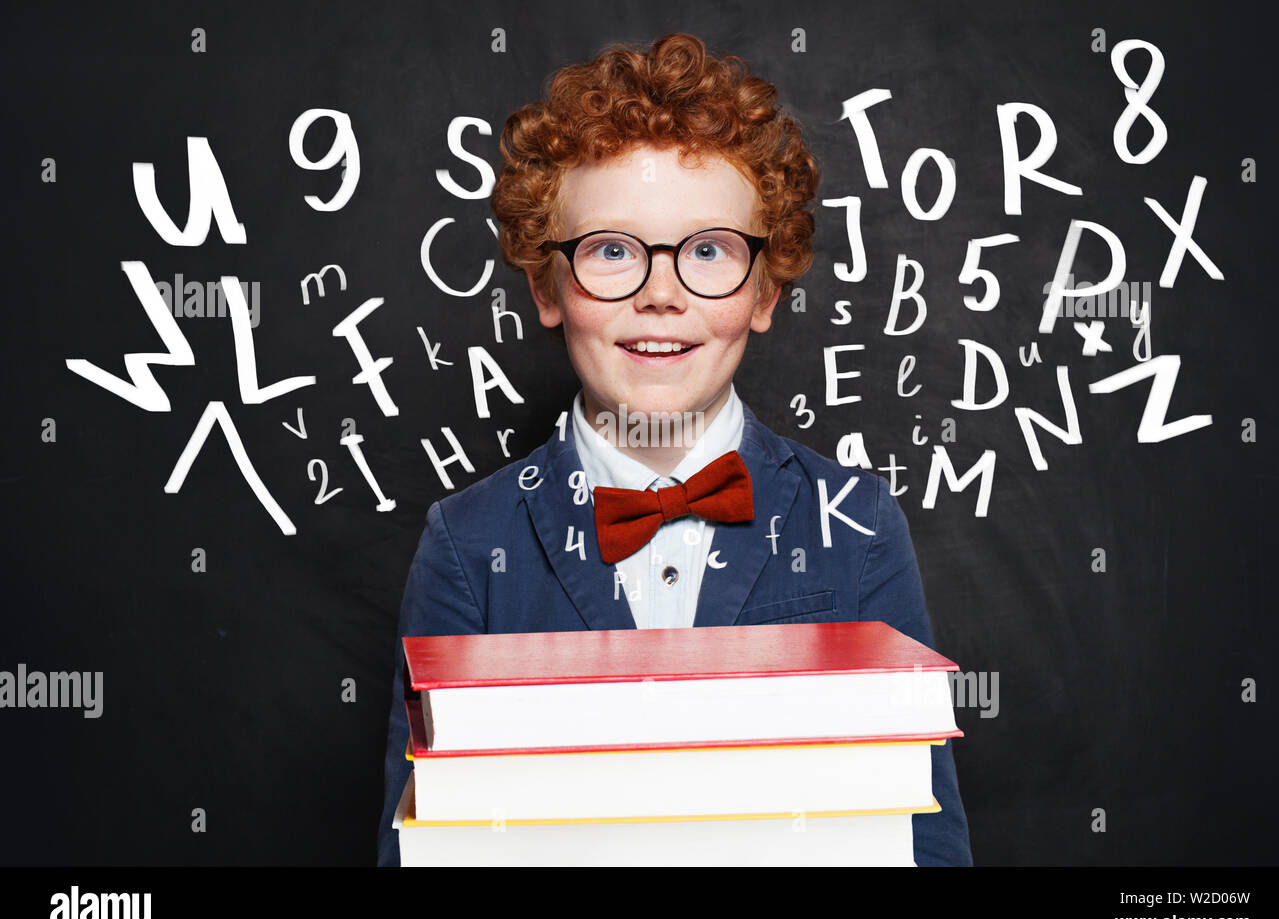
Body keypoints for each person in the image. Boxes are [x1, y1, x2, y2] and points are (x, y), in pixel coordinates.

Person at [378, 32, 972, 866]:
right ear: (549, 287)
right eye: (612, 252)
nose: (661, 294)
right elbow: (416, 847)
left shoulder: (860, 524)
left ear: (765, 291)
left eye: (708, 252)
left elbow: (926, 840)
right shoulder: (467, 545)